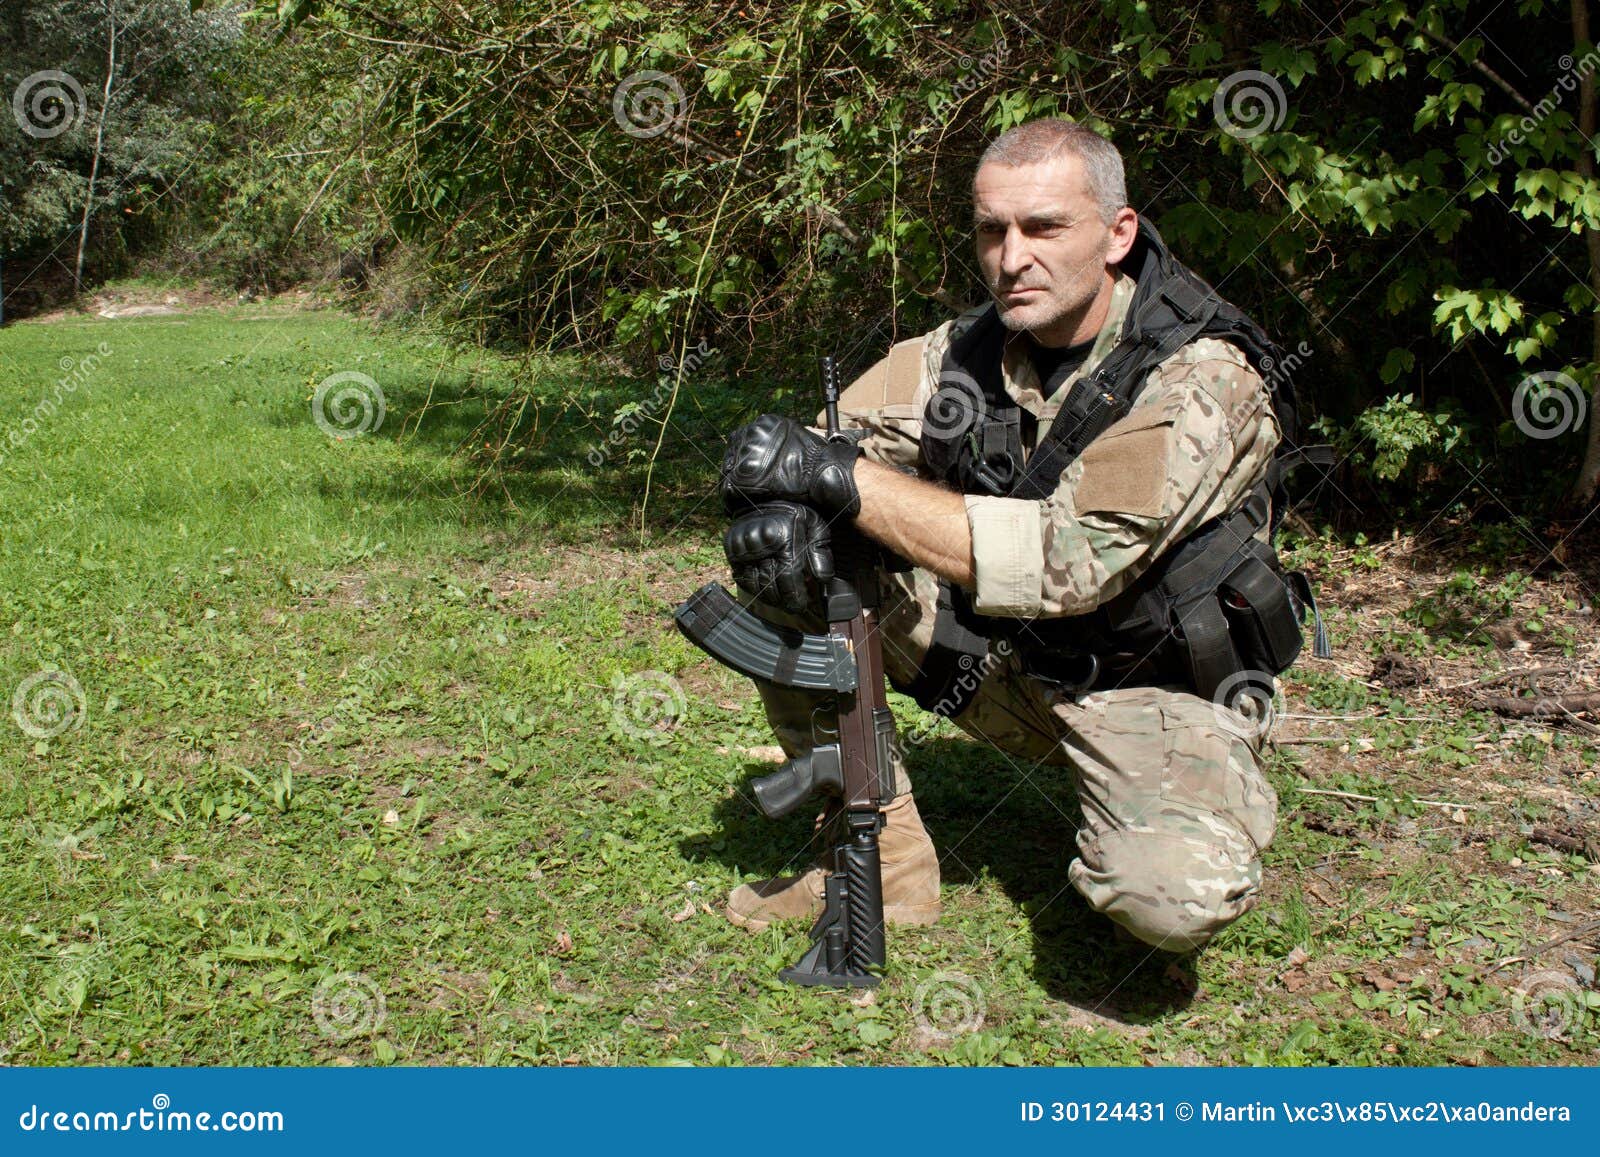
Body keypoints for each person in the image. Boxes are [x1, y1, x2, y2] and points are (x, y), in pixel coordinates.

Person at [716, 118, 1311, 954]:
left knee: (1164, 902)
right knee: (790, 551)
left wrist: (840, 479)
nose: (1011, 256)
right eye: (992, 229)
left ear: (1117, 234)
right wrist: (789, 489)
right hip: (1007, 665)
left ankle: (1178, 800)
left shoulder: (1199, 375)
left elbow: (1065, 560)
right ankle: (880, 858)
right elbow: (818, 447)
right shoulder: (961, 352)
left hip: (1153, 688)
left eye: (1043, 228)